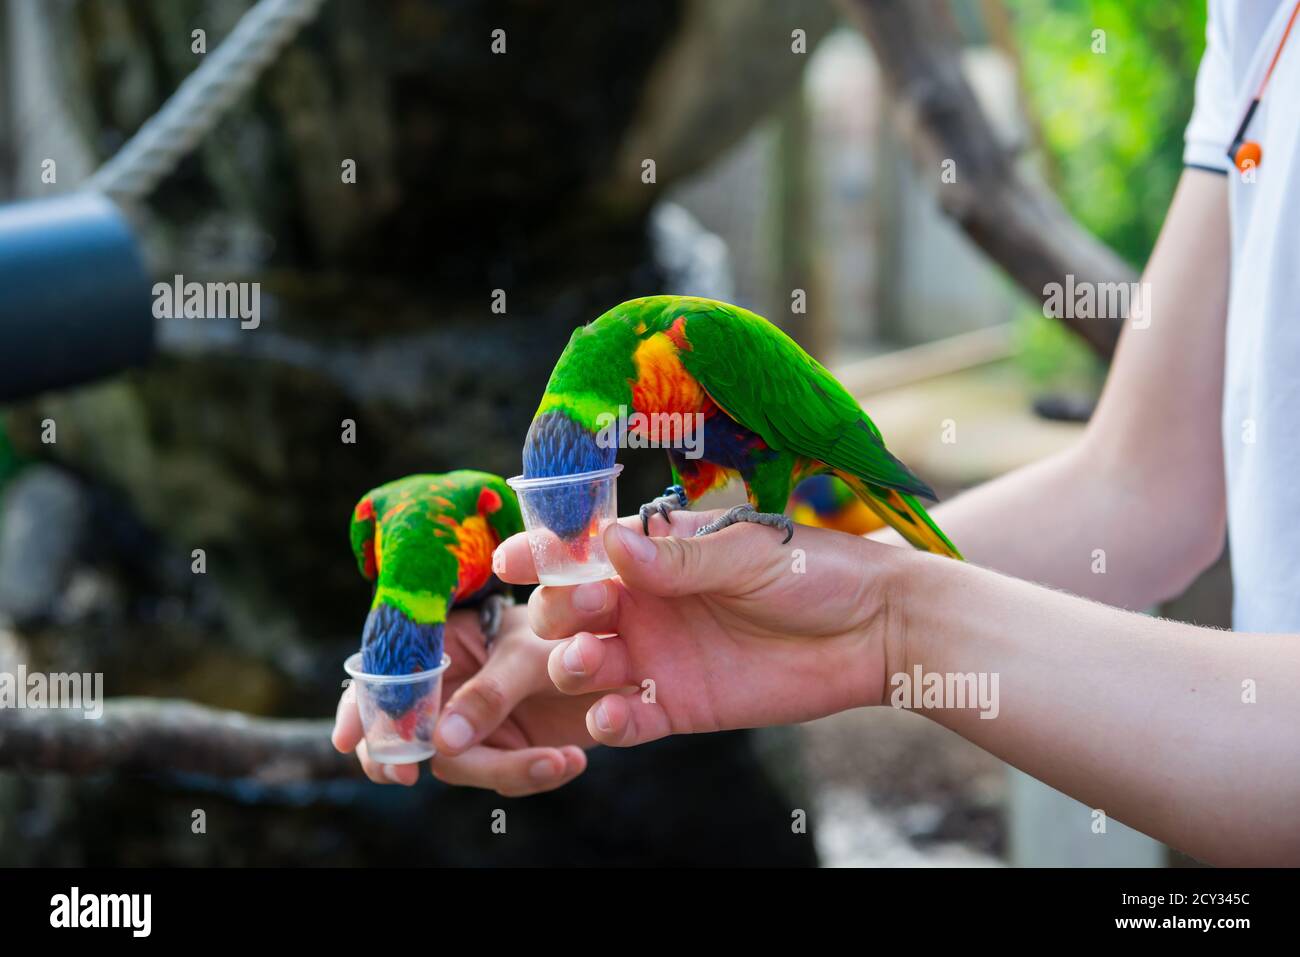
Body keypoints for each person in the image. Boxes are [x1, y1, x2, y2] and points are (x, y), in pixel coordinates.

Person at [334, 0, 1300, 865]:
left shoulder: (689, 344)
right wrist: (726, 610)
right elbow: (1139, 490)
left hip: (813, 458)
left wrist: (898, 614)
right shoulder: (1254, 28)